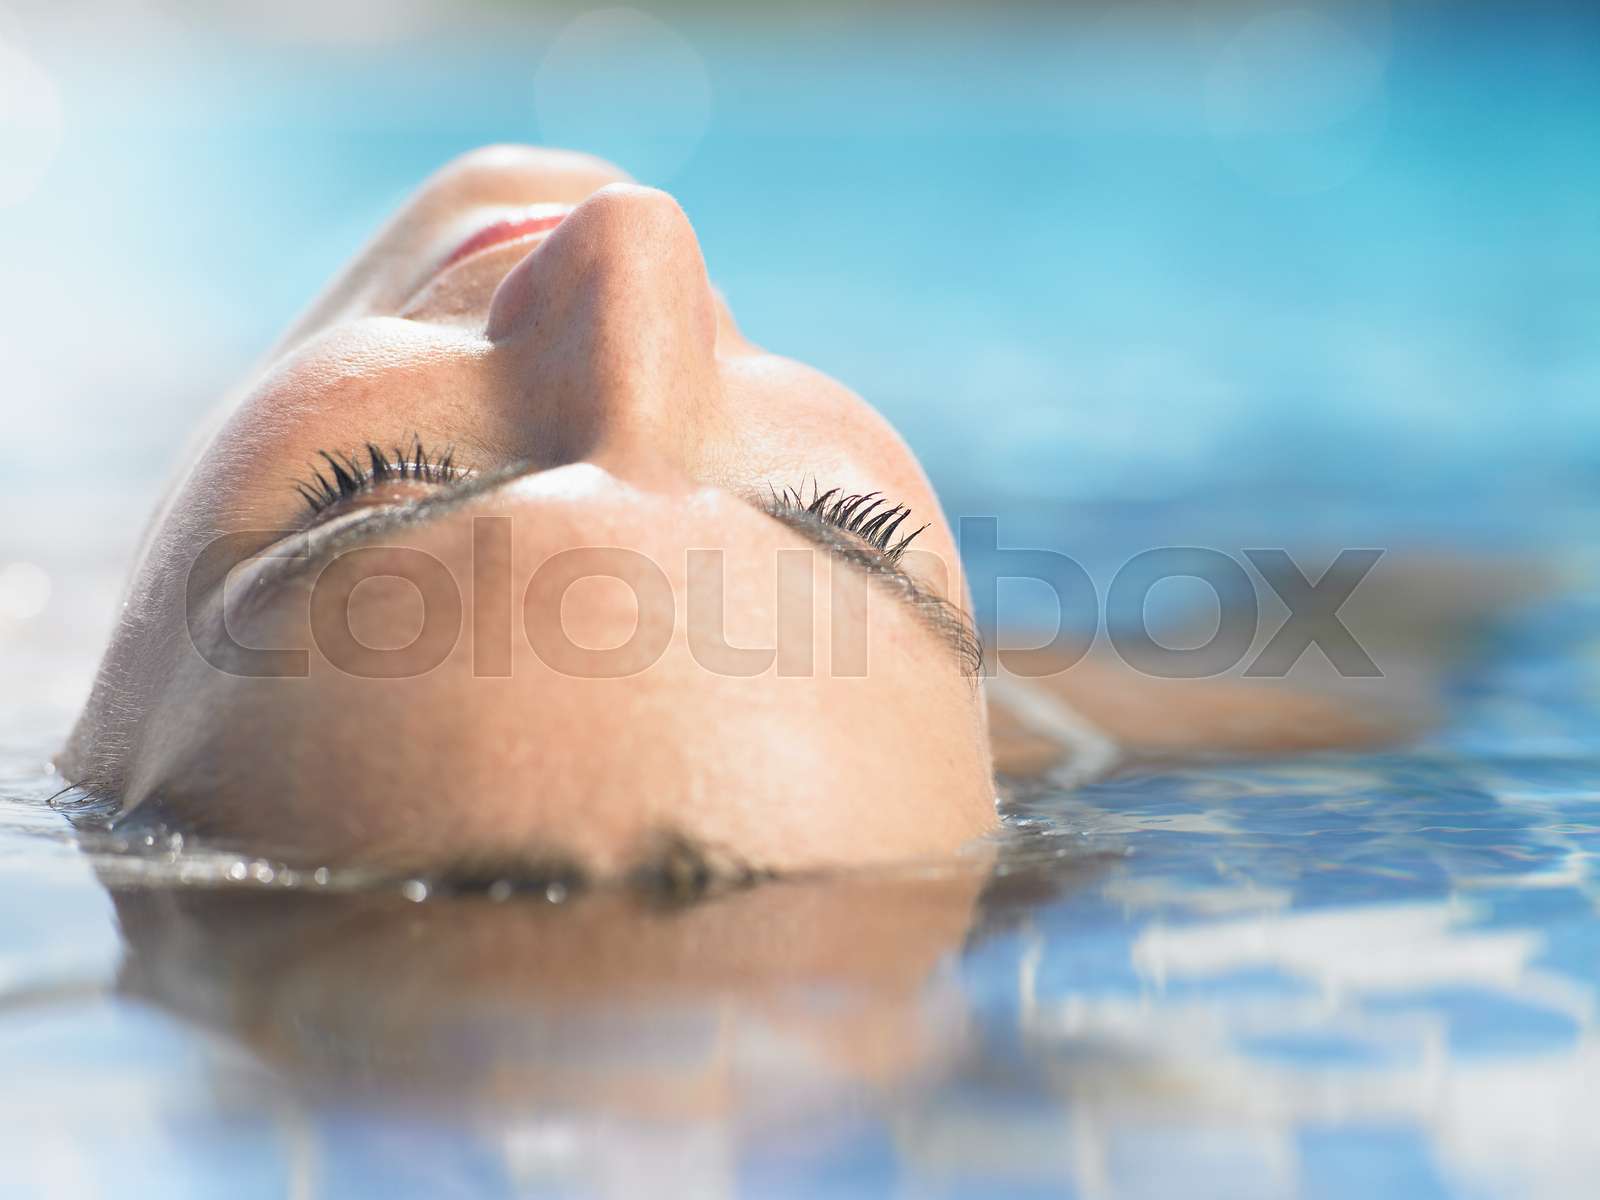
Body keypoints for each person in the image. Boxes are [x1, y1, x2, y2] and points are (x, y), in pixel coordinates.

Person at [60, 145, 1477, 891]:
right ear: (996, 719)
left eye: (383, 489)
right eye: (842, 528)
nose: (640, 252)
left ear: (95, 751)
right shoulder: (1039, 725)